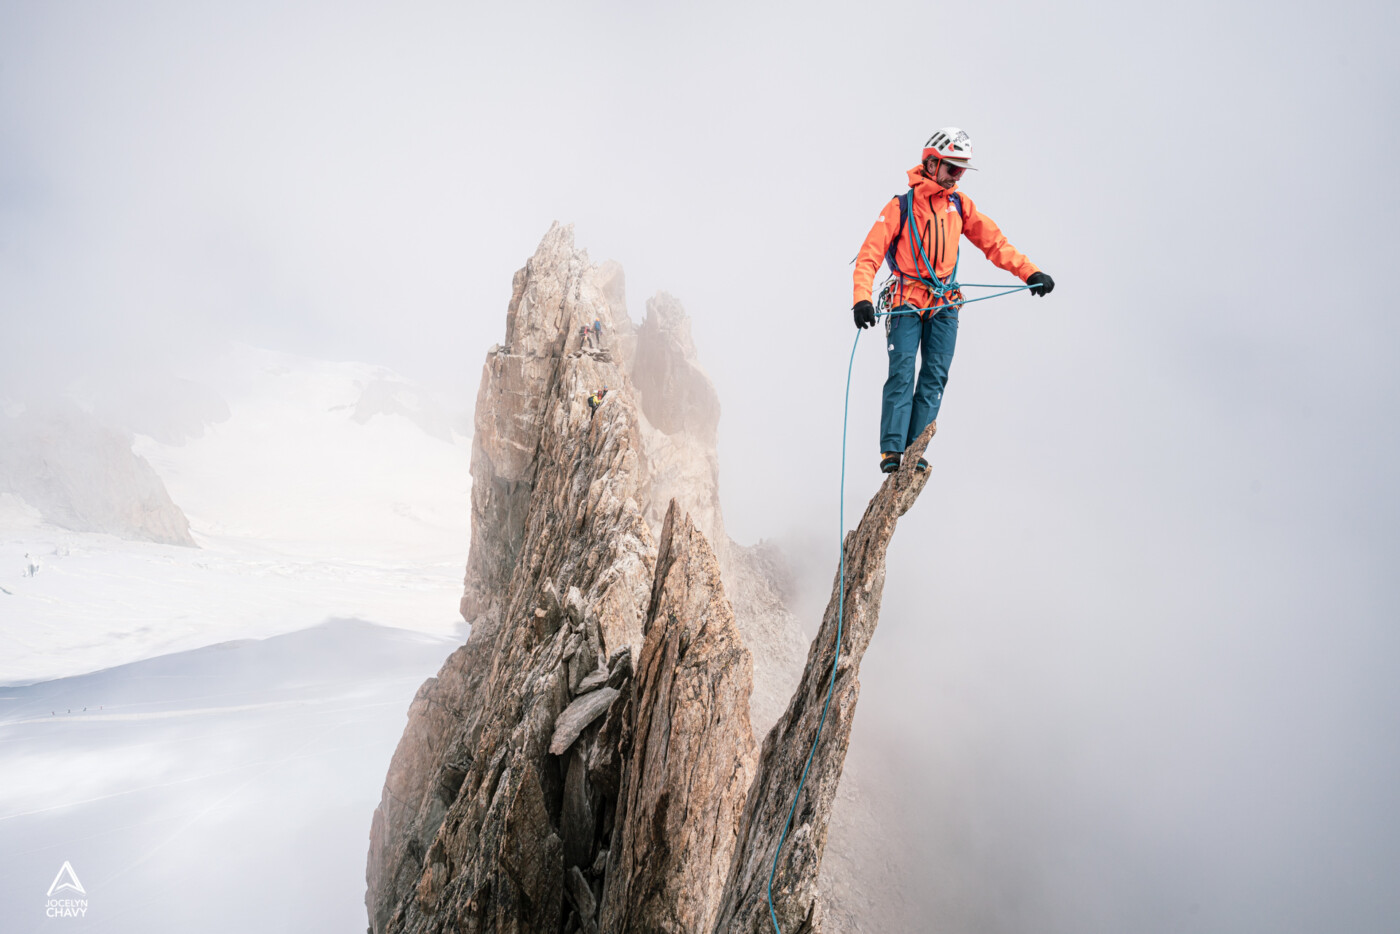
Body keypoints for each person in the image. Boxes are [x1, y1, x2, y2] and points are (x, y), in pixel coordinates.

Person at [852, 127, 1054, 474]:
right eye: (952, 168)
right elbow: (869, 254)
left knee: (935, 376)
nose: (957, 176)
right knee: (902, 372)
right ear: (931, 163)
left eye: (961, 170)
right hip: (905, 301)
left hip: (945, 303)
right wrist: (861, 299)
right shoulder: (901, 207)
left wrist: (1030, 272)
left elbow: (995, 243)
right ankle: (892, 450)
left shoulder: (960, 205)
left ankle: (915, 449)